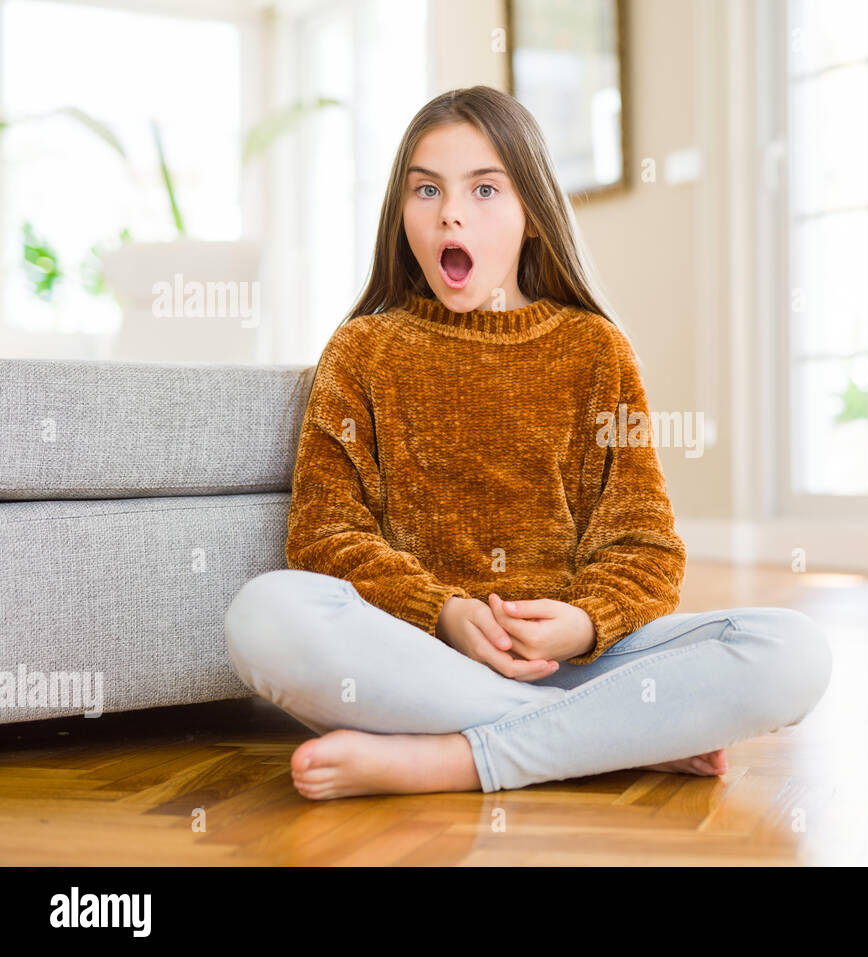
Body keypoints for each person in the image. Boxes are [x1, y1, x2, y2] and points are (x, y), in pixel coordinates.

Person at [224, 85, 832, 799]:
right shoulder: (362, 351)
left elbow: (646, 546)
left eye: (485, 188)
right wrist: (446, 613)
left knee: (794, 652)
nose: (451, 210)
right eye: (427, 189)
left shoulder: (595, 350)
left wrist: (580, 623)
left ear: (533, 217)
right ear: (402, 216)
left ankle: (453, 759)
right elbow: (326, 535)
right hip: (421, 657)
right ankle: (608, 738)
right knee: (263, 615)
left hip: (577, 659)